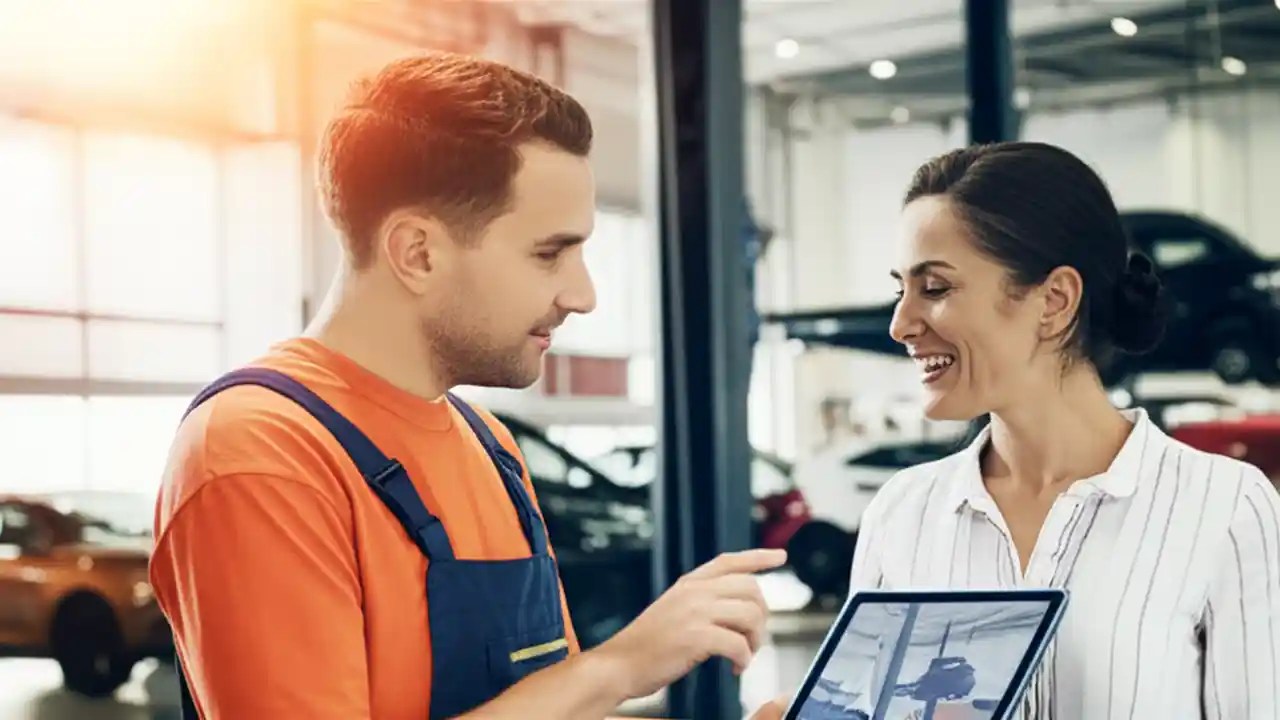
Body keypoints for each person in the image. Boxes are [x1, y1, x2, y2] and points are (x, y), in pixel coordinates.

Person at [150, 52, 789, 719]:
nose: (584, 294)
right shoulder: (259, 454)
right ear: (418, 253)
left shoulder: (489, 446)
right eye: (549, 253)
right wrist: (618, 667)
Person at [851, 142, 1280, 719]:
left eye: (935, 288)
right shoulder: (902, 515)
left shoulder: (1224, 508)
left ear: (1054, 300)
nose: (900, 323)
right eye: (899, 289)